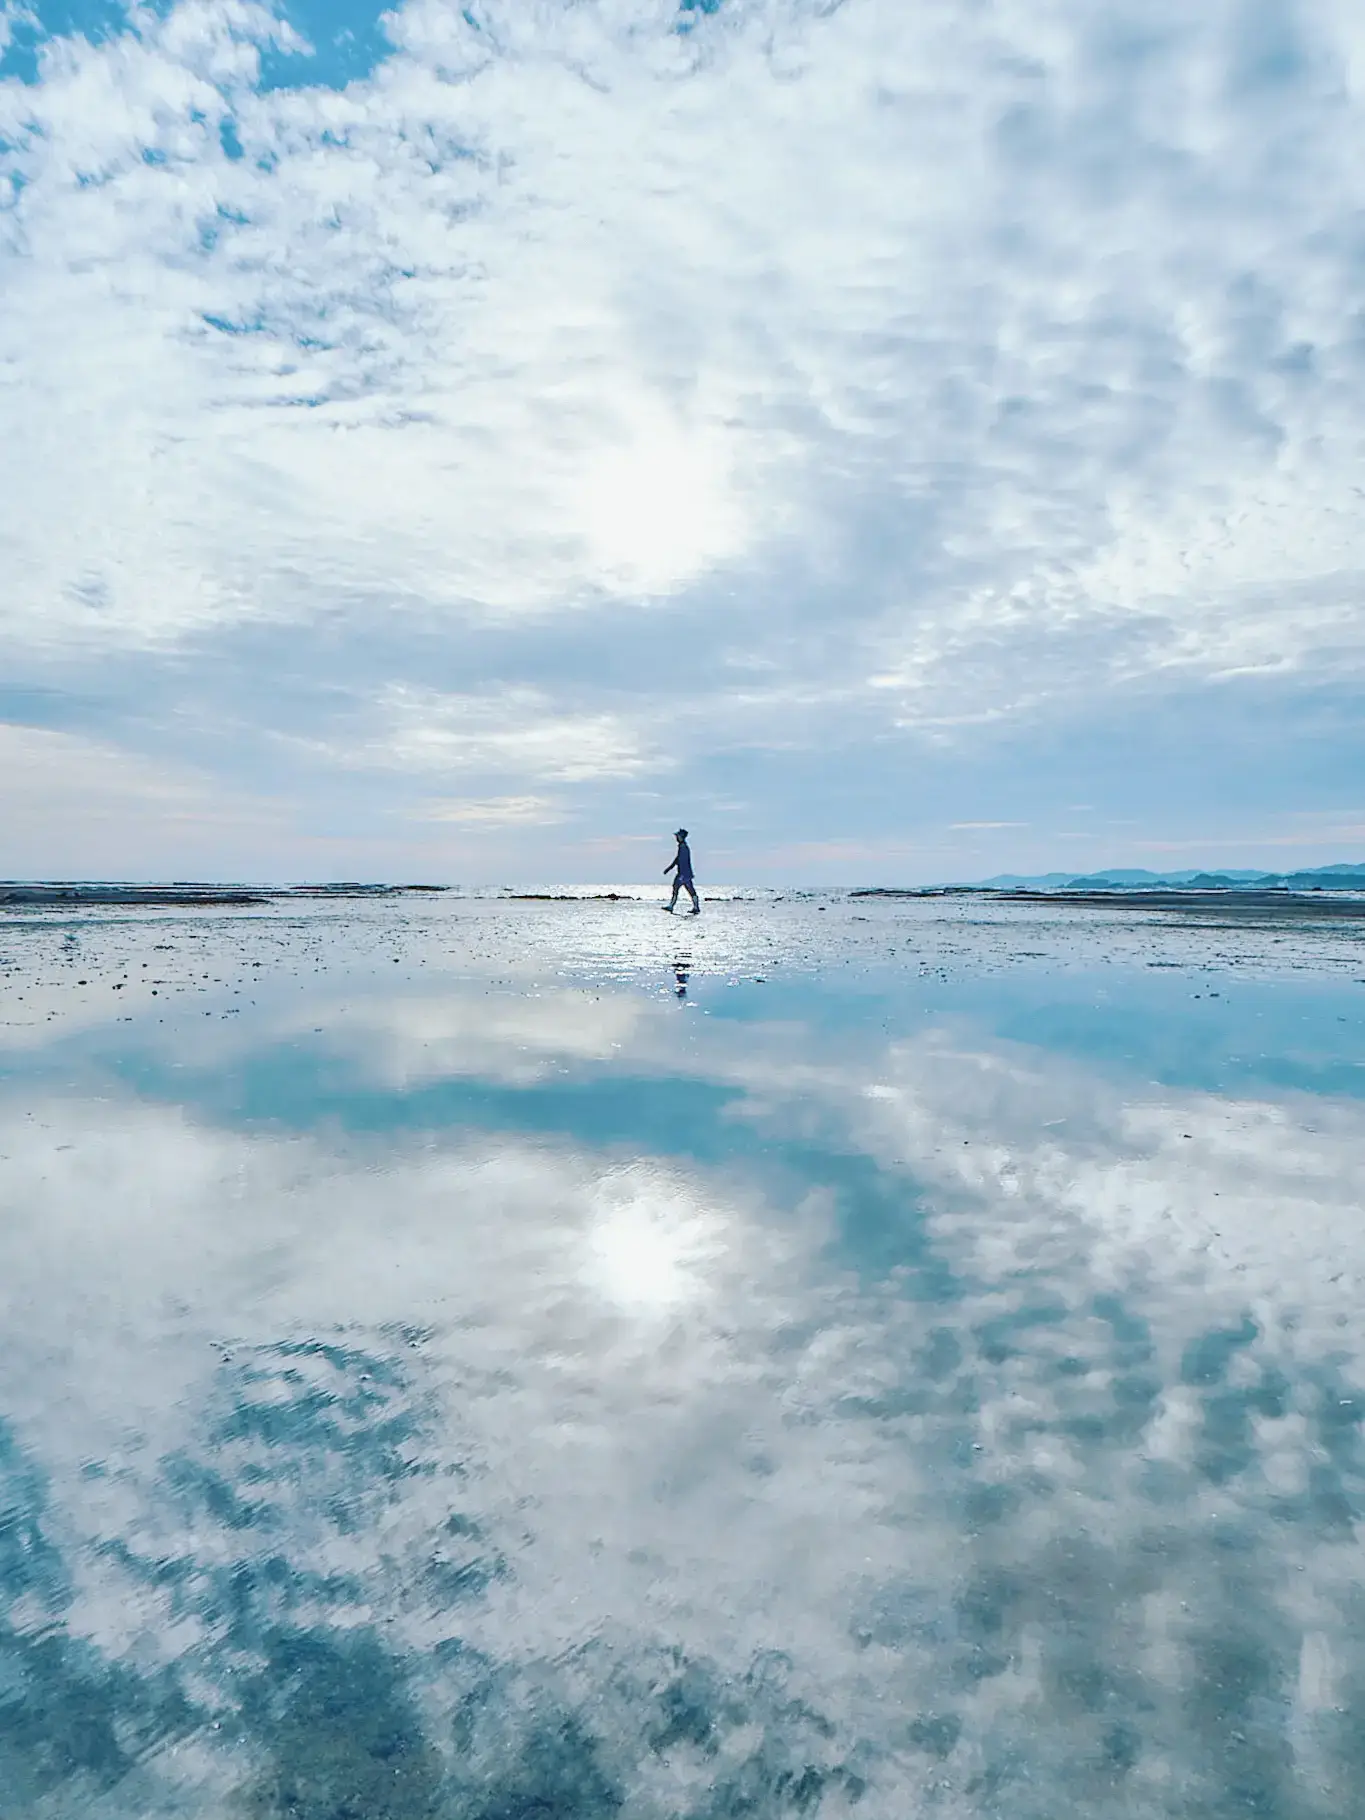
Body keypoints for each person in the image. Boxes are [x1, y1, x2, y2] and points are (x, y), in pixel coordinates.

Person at [664, 828, 700, 914]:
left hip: (683, 874)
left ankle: (671, 906)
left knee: (677, 888)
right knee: (689, 890)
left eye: (678, 836)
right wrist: (669, 868)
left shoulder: (683, 847)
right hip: (686, 874)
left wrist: (670, 869)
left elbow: (680, 860)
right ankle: (696, 907)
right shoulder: (683, 847)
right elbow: (678, 859)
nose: (676, 838)